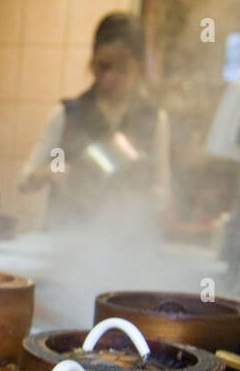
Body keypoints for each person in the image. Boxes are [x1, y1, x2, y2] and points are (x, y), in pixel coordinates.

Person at [19, 12, 168, 221]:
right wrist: (48, 172)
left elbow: (163, 192)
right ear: (92, 61)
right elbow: (24, 179)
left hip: (130, 241)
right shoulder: (67, 115)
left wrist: (146, 198)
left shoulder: (153, 120)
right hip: (67, 237)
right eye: (103, 66)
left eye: (122, 69)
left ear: (139, 69)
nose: (110, 77)